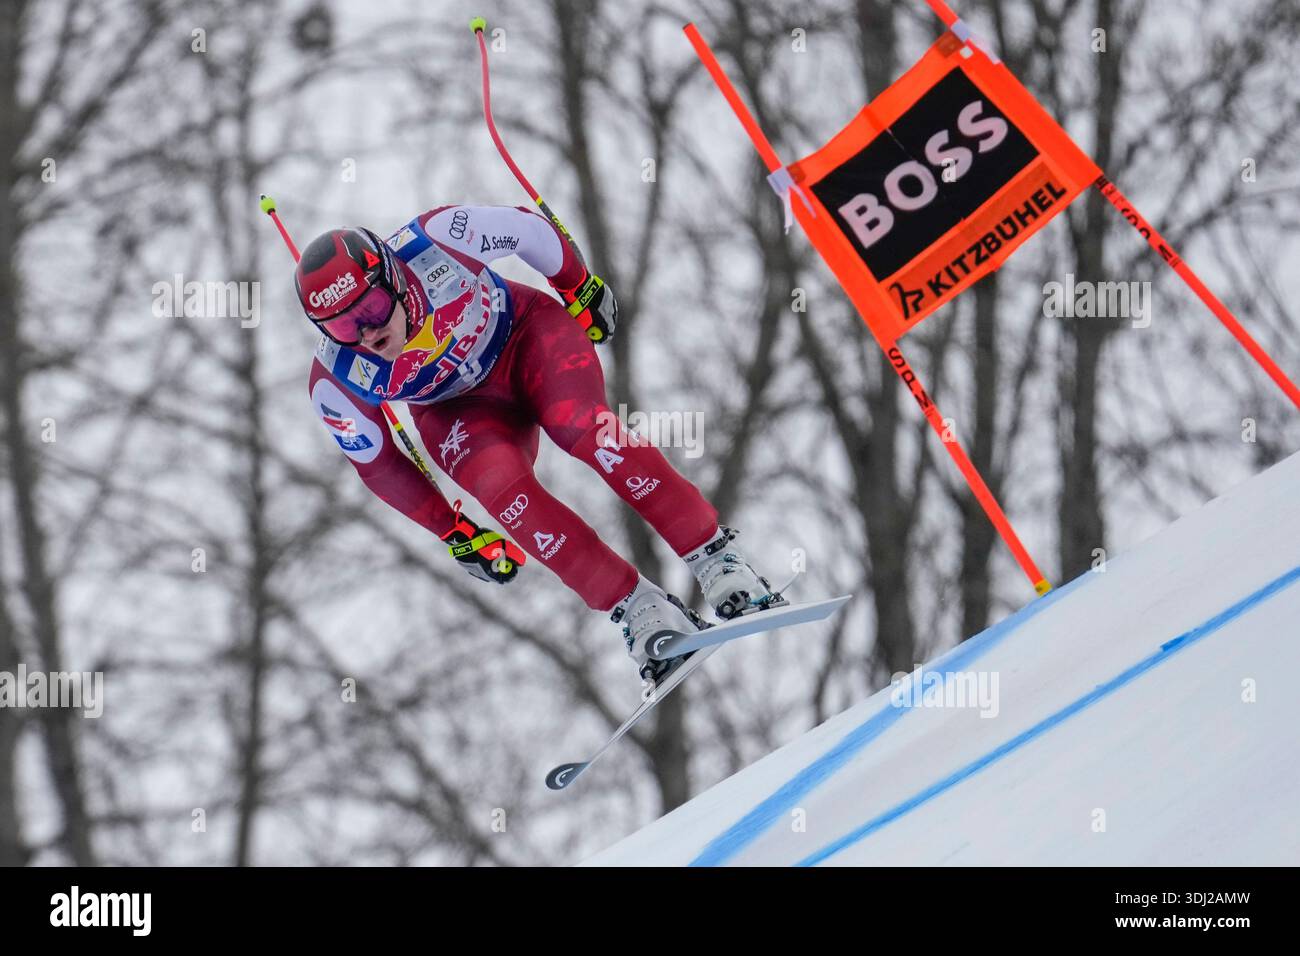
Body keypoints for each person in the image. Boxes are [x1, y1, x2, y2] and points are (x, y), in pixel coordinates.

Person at [295, 205, 781, 681]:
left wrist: (577, 285)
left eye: (373, 309)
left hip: (526, 336)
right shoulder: (334, 379)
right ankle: (640, 610)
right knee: (506, 497)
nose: (369, 332)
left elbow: (528, 232)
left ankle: (717, 558)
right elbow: (378, 465)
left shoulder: (437, 239)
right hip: (456, 409)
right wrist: (451, 530)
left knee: (582, 427)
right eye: (343, 326)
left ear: (393, 279)